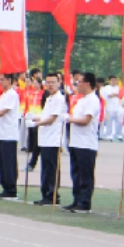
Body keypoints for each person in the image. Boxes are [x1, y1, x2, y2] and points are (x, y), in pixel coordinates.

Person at [67, 72, 100, 210]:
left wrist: (69, 119)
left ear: (87, 84)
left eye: (79, 82)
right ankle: (77, 199)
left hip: (86, 143)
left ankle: (85, 202)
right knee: (76, 173)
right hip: (76, 141)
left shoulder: (93, 100)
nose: (77, 85)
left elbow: (85, 120)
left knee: (85, 174)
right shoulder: (81, 100)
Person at [34, 71, 65, 203]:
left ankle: (52, 194)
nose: (50, 85)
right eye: (48, 82)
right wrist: (35, 118)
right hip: (45, 138)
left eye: (53, 82)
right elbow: (46, 116)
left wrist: (37, 123)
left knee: (51, 169)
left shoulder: (59, 98)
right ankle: (46, 193)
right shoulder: (49, 98)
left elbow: (52, 119)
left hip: (53, 139)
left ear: (59, 83)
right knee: (46, 168)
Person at [0, 72, 21, 196]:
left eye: (2, 80)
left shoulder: (12, 94)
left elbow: (3, 111)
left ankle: (11, 188)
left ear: (9, 80)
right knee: (2, 162)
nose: (0, 82)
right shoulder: (3, 94)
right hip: (0, 133)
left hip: (8, 134)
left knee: (9, 162)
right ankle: (5, 186)